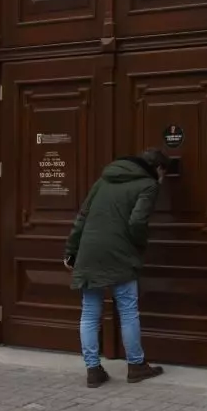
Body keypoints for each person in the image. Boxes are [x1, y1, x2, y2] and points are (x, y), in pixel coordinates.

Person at [64, 148, 170, 388]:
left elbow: (82, 216)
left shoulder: (103, 180)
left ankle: (93, 370)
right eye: (163, 174)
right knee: (128, 310)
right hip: (121, 253)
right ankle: (136, 366)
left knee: (90, 312)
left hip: (89, 250)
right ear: (158, 169)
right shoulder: (149, 185)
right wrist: (139, 246)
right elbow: (137, 222)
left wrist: (71, 250)